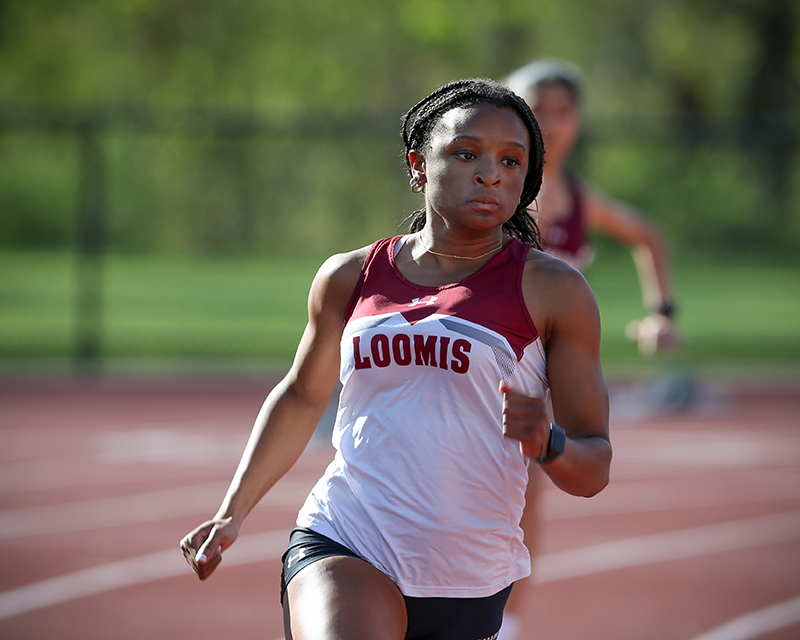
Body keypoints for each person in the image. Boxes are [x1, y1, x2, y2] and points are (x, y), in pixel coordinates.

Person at [181, 78, 611, 640]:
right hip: (346, 536)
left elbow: (594, 467)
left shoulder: (553, 290)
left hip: (468, 578)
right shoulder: (349, 275)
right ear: (417, 164)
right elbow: (304, 394)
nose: (489, 173)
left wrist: (550, 442)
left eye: (511, 161)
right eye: (465, 153)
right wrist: (232, 511)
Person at [498, 59, 680, 640]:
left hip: (544, 375)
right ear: (511, 108)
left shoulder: (579, 199)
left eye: (562, 111)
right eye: (537, 107)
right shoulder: (494, 188)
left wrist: (661, 314)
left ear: (578, 121)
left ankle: (506, 623)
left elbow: (649, 236)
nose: (549, 122)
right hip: (484, 360)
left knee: (523, 498)